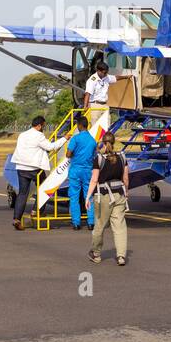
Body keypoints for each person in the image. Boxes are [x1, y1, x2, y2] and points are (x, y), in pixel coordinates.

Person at [10, 115, 67, 230]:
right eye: (43, 126)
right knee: (45, 188)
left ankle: (16, 218)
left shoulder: (22, 135)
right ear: (39, 125)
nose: (43, 129)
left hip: (21, 167)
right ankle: (36, 211)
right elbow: (51, 147)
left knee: (22, 194)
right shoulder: (39, 136)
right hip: (34, 168)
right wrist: (64, 138)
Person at [87, 131, 130, 265]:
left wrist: (88, 197)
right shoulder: (122, 157)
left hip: (103, 195)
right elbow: (125, 178)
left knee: (99, 225)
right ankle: (121, 256)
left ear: (103, 143)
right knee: (120, 226)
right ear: (113, 142)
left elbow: (94, 180)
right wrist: (126, 192)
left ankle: (96, 253)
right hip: (119, 194)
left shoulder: (99, 159)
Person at [64, 113, 97, 230]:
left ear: (79, 125)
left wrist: (74, 153)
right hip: (88, 170)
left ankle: (76, 222)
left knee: (74, 196)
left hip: (75, 170)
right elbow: (94, 156)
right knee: (89, 196)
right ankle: (91, 222)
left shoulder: (75, 138)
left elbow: (68, 154)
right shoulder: (93, 141)